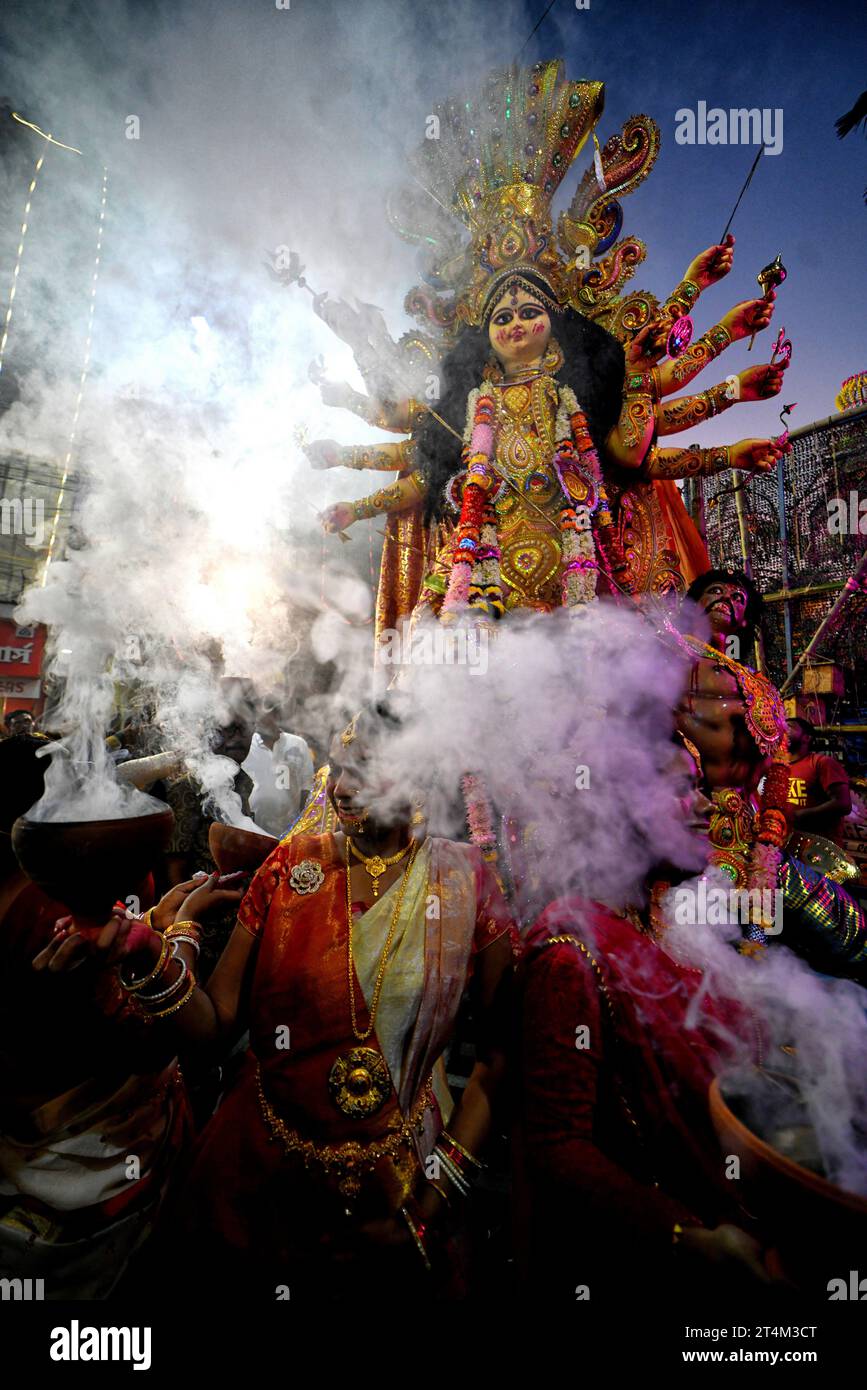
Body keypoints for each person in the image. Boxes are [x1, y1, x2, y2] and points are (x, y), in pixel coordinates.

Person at [40, 700, 517, 1298]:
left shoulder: (466, 880)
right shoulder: (293, 866)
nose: (342, 789)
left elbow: (499, 1063)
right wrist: (145, 950)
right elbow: (213, 1028)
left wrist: (436, 1190)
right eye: (340, 768)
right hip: (259, 1170)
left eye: (366, 770)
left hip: (401, 1179)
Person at [308, 61, 789, 631]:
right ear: (482, 333)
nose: (515, 324)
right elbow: (410, 458)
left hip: (581, 584)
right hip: (477, 580)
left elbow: (638, 458)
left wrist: (717, 366)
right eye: (502, 316)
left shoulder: (581, 392)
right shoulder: (463, 404)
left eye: (530, 312)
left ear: (554, 322)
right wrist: (349, 474)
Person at [515, 737, 775, 1302]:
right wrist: (685, 1237)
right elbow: (557, 1151)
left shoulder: (649, 922)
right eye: (686, 789)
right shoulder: (570, 954)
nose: (711, 806)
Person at [674, 568, 867, 979]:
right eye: (716, 591)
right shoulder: (666, 664)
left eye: (740, 596)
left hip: (757, 841)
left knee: (849, 934)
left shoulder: (758, 687)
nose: (729, 598)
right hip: (692, 845)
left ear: (747, 619)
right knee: (711, 965)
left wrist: (771, 834)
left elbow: (778, 766)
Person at [241, 701, 314, 838]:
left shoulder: (297, 744)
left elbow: (307, 786)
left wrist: (304, 822)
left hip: (289, 826)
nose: (257, 719)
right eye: (255, 714)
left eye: (263, 714)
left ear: (277, 716)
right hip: (253, 827)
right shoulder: (247, 745)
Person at [785, 717, 853, 850]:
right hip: (788, 848)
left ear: (806, 738)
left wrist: (798, 816)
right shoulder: (778, 767)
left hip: (820, 851)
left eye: (790, 727)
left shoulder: (821, 763)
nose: (783, 730)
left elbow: (843, 804)